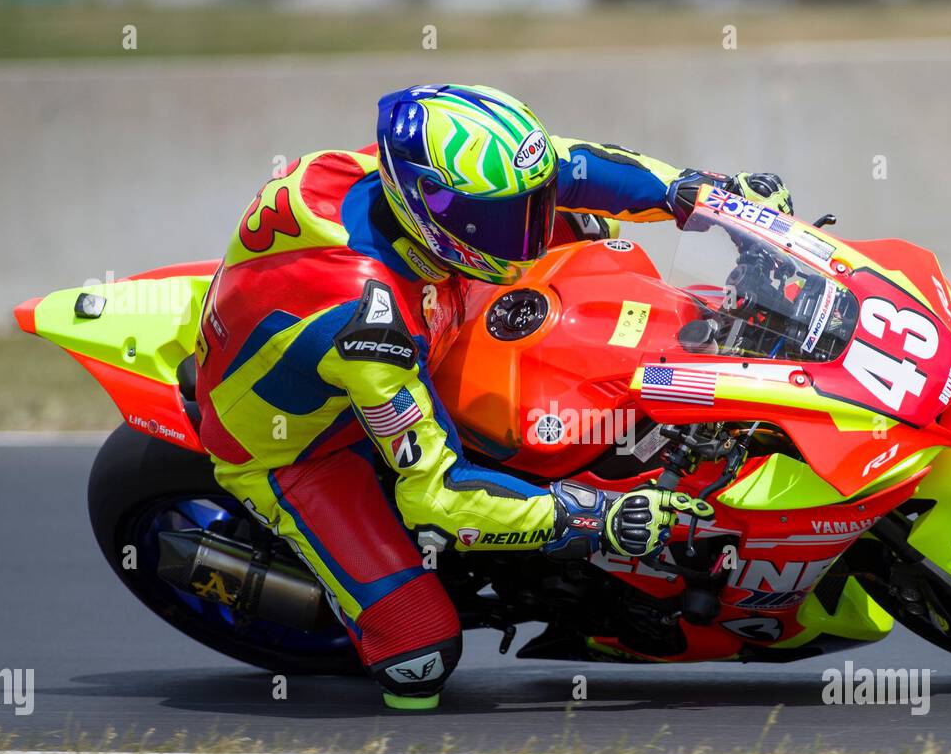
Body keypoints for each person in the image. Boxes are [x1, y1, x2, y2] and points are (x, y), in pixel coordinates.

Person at [193, 84, 792, 709]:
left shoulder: (397, 171)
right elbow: (437, 497)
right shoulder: (373, 332)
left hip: (401, 306)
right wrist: (596, 518)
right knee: (418, 662)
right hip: (308, 447)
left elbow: (567, 166)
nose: (529, 231)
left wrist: (697, 194)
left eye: (526, 209)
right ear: (433, 205)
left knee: (587, 226)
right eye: (505, 219)